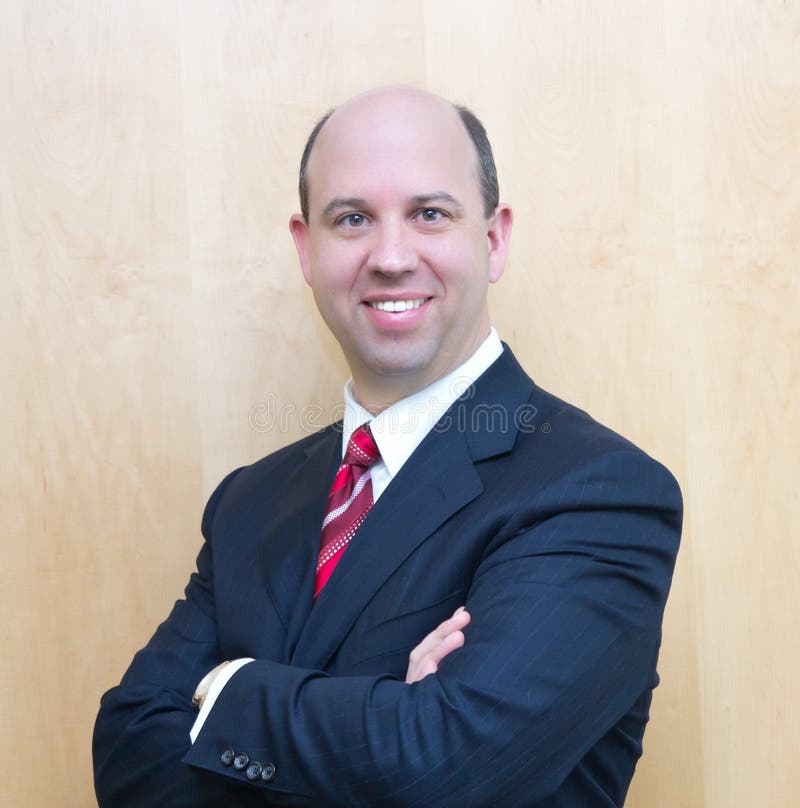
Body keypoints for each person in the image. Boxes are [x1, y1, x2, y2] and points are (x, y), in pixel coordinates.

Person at [93, 86, 682, 807]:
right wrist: (387, 717)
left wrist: (225, 688)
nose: (392, 257)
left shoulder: (597, 492)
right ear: (306, 248)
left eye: (430, 213)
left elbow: (444, 771)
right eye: (353, 219)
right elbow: (127, 754)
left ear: (493, 240)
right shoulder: (248, 502)